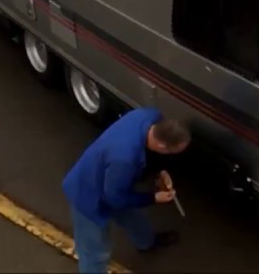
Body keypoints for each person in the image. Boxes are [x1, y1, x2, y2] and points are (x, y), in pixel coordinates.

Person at [62, 107, 191, 273]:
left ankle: (147, 242)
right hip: (88, 194)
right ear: (161, 145)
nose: (172, 155)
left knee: (133, 217)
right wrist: (153, 198)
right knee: (94, 252)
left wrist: (160, 171)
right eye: (172, 152)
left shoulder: (149, 115)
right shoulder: (124, 160)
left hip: (114, 182)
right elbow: (115, 198)